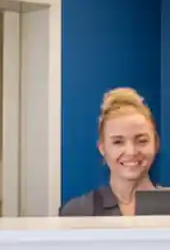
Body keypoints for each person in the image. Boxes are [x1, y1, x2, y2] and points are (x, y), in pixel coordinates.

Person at [60, 87, 159, 216]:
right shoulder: (78, 211)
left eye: (141, 141)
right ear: (102, 148)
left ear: (156, 144)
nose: (131, 152)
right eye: (118, 142)